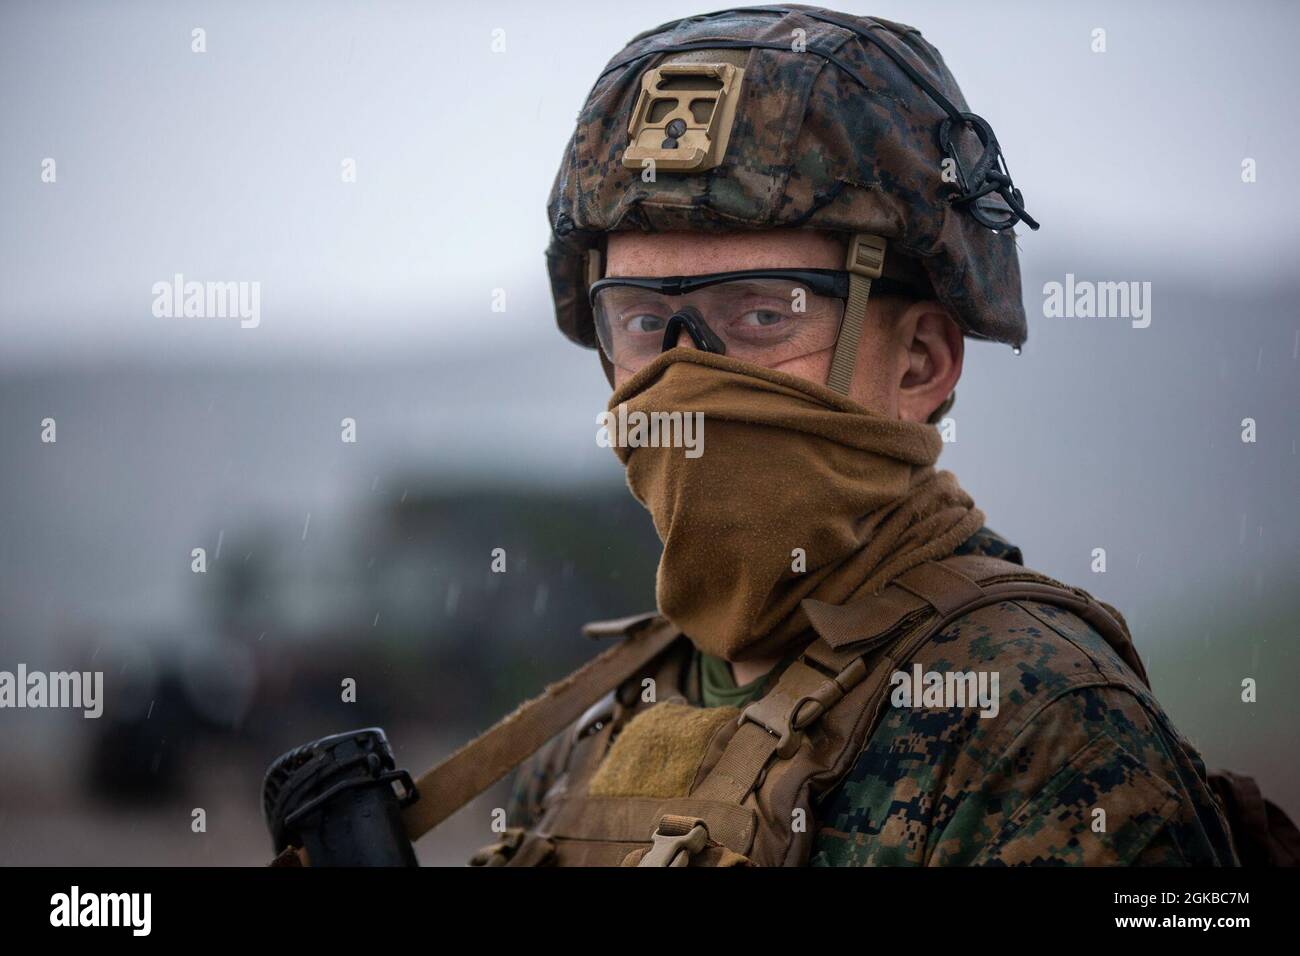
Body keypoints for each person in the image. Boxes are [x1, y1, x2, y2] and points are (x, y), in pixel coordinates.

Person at [471, 5, 1238, 867]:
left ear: (920, 363)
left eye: (763, 315)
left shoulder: (1040, 730)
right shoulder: (592, 735)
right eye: (647, 324)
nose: (686, 379)